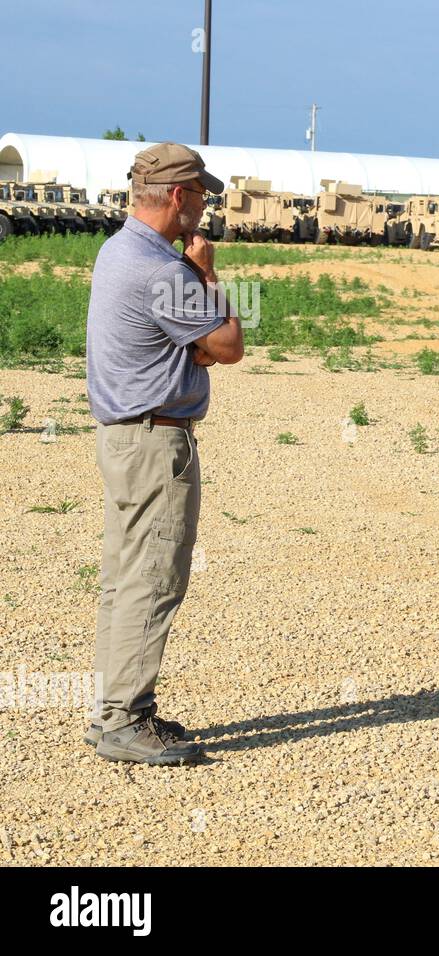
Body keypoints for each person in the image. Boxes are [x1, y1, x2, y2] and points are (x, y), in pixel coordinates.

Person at [84, 142, 243, 765]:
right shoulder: (163, 270)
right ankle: (124, 721)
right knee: (153, 577)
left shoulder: (117, 249)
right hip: (155, 442)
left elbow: (198, 346)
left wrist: (192, 344)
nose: (204, 209)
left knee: (125, 578)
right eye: (201, 195)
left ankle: (117, 710)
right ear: (178, 196)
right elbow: (228, 344)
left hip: (124, 436)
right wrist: (207, 274)